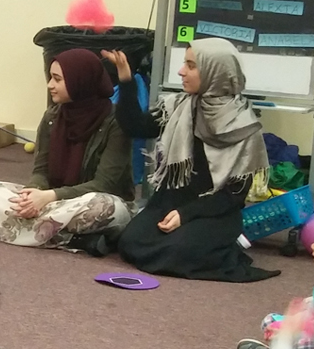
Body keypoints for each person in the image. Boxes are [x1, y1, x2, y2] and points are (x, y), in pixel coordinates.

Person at [104, 38, 278, 282]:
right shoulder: (178, 106)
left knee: (179, 250)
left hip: (213, 212)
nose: (181, 71)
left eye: (191, 65)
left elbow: (234, 195)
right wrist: (126, 80)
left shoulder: (243, 124)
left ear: (213, 71)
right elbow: (135, 126)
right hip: (169, 202)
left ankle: (223, 246)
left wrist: (186, 215)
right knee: (131, 242)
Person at [0, 49, 134, 255]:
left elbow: (105, 184)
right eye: (51, 78)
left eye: (57, 79)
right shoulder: (52, 116)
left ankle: (21, 231)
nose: (50, 85)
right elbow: (41, 170)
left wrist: (48, 197)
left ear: (80, 81)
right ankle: (73, 240)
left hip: (87, 200)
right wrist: (31, 194)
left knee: (104, 207)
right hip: (53, 202)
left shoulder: (115, 121)